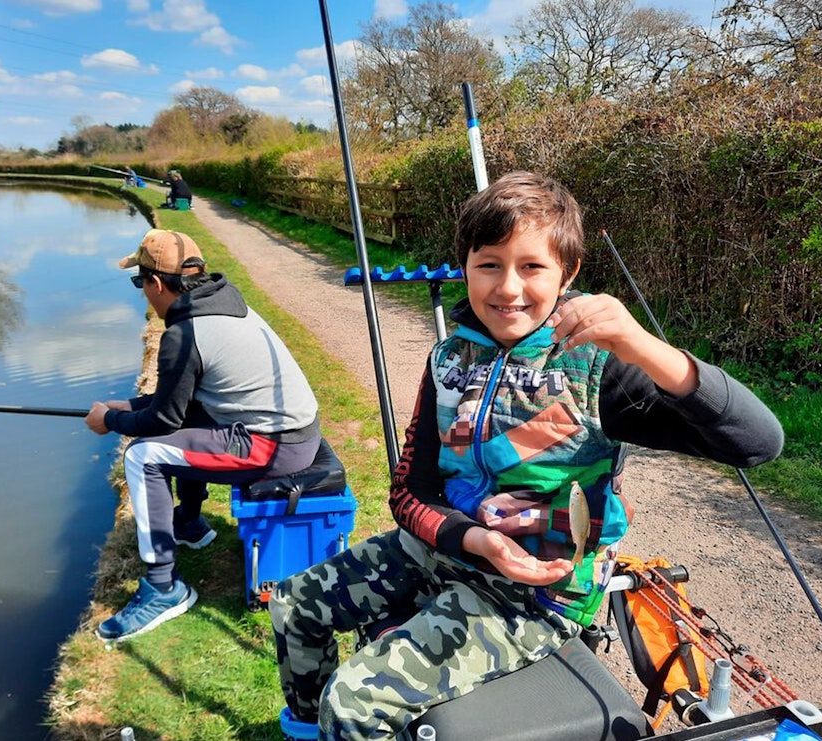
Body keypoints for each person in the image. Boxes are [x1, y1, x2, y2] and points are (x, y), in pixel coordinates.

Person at [268, 171, 784, 740]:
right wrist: (474, 540)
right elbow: (409, 491)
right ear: (465, 266)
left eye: (532, 266)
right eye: (489, 264)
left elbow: (757, 442)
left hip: (533, 595)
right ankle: (304, 729)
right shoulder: (448, 359)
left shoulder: (601, 367)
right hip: (448, 549)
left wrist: (642, 345)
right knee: (293, 605)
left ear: (569, 272)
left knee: (352, 702)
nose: (508, 288)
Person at [86, 227, 321, 642]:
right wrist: (132, 406)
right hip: (294, 432)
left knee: (141, 456)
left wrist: (111, 421)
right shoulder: (223, 303)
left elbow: (162, 422)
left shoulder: (183, 335)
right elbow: (180, 401)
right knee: (187, 420)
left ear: (157, 284)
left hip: (275, 446)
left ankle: (163, 588)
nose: (143, 292)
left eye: (140, 283)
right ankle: (190, 524)